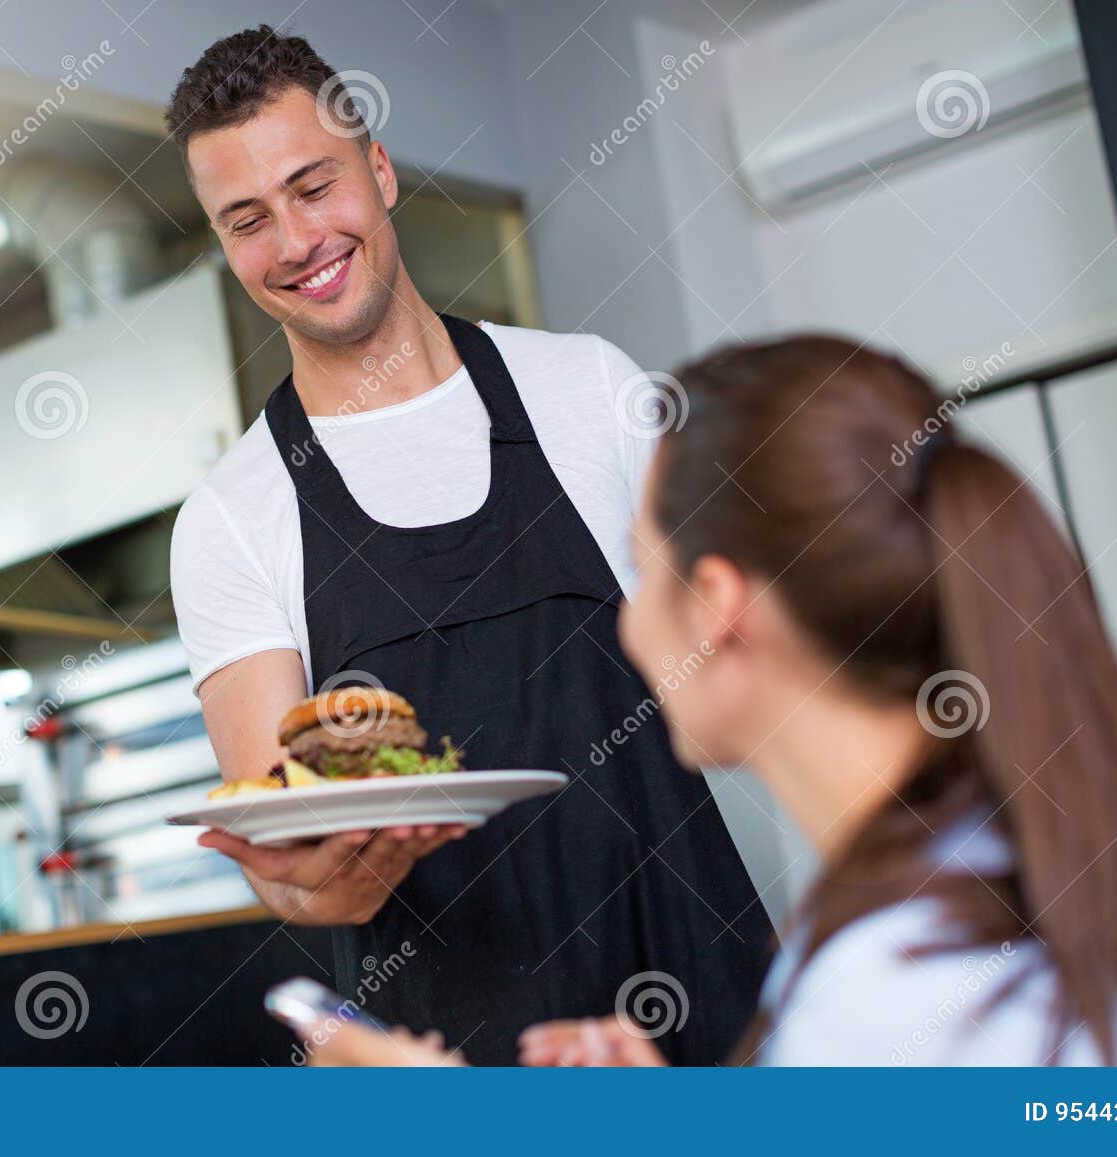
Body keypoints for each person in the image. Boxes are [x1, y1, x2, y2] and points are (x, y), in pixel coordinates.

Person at [311, 335, 1117, 1067]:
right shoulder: (1008, 869)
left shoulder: (895, 986)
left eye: (643, 572)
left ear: (717, 608)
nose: (628, 627)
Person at [164, 26, 772, 1066]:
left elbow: (751, 658)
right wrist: (320, 879)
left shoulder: (591, 390)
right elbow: (283, 844)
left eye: (315, 186)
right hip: (447, 1054)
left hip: (703, 1001)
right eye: (248, 218)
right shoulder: (230, 513)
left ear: (382, 172)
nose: (296, 240)